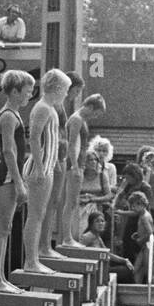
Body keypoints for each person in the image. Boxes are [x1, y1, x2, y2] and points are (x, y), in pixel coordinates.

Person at [0, 70, 33, 291]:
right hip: (7, 176)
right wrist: (19, 182)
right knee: (1, 227)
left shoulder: (13, 114)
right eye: (27, 91)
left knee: (5, 228)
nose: (30, 96)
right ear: (15, 91)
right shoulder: (7, 116)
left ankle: (0, 278)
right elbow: (9, 152)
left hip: (10, 176)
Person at [22, 68, 71, 273]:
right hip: (39, 167)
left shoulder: (50, 108)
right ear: (57, 88)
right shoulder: (42, 108)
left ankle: (42, 250)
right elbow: (34, 138)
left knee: (41, 213)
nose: (67, 95)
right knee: (35, 215)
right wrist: (40, 169)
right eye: (66, 90)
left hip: (48, 165)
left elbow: (50, 140)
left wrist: (53, 163)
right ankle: (31, 261)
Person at [40, 72, 82, 257]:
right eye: (75, 91)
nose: (73, 95)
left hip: (60, 158)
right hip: (54, 160)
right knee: (49, 204)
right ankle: (43, 246)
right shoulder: (53, 106)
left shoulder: (60, 107)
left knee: (55, 203)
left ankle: (46, 244)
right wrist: (56, 159)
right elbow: (48, 135)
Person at [59, 93, 107, 245]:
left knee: (72, 203)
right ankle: (67, 238)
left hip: (78, 165)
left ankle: (68, 237)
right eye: (96, 113)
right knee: (70, 203)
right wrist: (74, 166)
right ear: (91, 107)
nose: (96, 117)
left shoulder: (81, 120)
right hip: (74, 166)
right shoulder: (77, 119)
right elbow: (72, 144)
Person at [80, 210, 134, 282]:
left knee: (128, 268)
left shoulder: (97, 237)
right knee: (126, 271)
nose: (100, 223)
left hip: (103, 268)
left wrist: (124, 260)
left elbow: (107, 253)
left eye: (102, 221)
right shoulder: (88, 236)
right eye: (97, 221)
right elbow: (79, 253)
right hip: (95, 270)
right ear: (91, 224)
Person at [127, 191, 154, 283]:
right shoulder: (142, 214)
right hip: (145, 246)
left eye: (134, 206)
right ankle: (138, 290)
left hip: (149, 245)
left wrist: (140, 240)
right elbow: (147, 229)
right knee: (136, 270)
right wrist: (138, 234)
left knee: (149, 272)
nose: (132, 208)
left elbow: (151, 233)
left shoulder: (144, 217)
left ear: (141, 204)